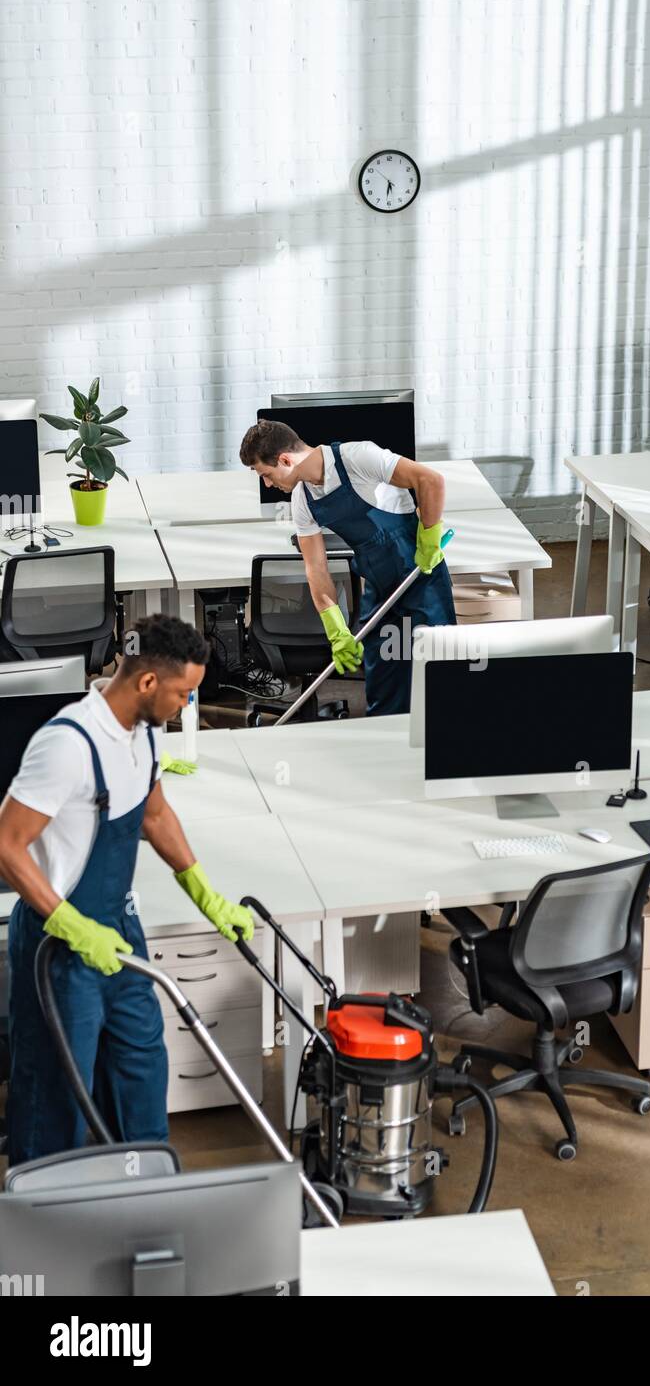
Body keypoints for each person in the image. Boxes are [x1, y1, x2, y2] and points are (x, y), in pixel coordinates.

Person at [0, 614, 254, 1166]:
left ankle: (143, 1198)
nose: (188, 706)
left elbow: (155, 815)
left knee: (141, 1069)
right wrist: (68, 923)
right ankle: (43, 1227)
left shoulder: (143, 733)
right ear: (146, 683)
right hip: (59, 947)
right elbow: (6, 844)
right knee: (56, 1094)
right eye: (184, 694)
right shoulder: (67, 743)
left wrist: (206, 895)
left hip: (119, 931)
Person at [239, 419, 456, 715]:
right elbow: (316, 568)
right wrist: (335, 629)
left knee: (437, 676)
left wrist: (429, 537)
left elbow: (430, 480)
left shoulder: (358, 457)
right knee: (383, 683)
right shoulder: (302, 499)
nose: (267, 483)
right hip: (380, 589)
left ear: (285, 460)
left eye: (265, 474)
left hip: (422, 578)